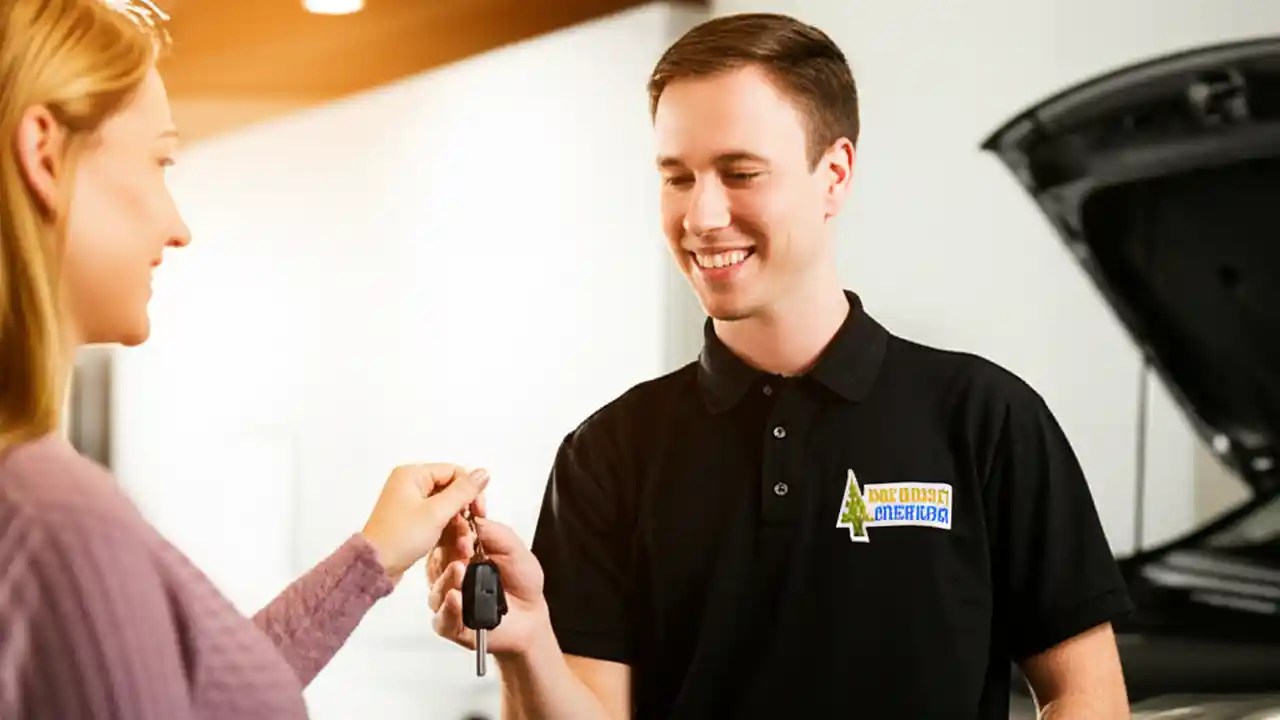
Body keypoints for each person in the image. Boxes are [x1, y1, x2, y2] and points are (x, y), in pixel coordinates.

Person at [429, 12, 1133, 720]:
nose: (701, 216)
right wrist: (527, 647)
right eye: (677, 178)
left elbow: (1088, 695)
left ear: (834, 174)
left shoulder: (985, 419)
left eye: (740, 173)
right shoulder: (606, 456)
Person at [0, 1, 487, 717]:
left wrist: (373, 556)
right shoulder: (57, 515)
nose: (179, 225)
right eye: (160, 161)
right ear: (44, 153)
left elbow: (197, 700)